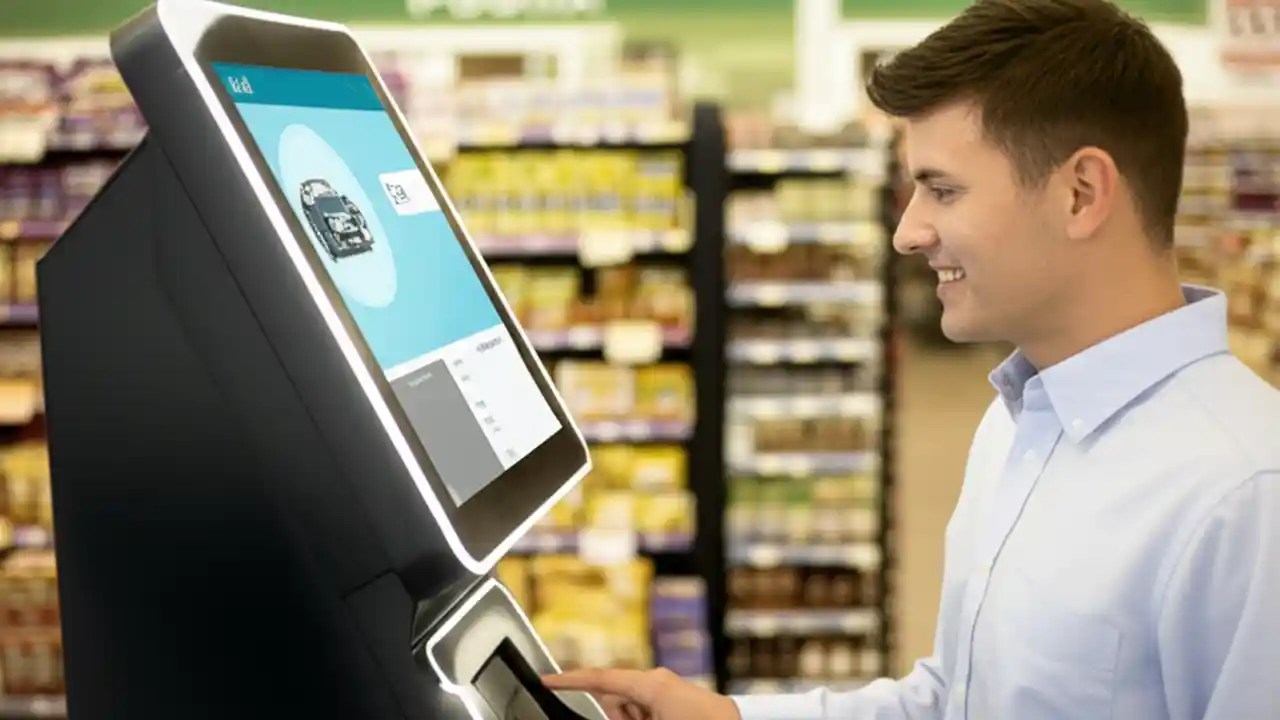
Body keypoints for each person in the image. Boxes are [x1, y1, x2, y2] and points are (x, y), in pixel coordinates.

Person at [543, 0, 1280, 718]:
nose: (906, 231)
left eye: (942, 190)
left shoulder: (1244, 496)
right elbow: (954, 699)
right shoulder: (1019, 423)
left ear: (1080, 194)